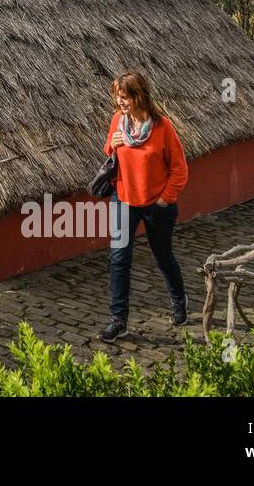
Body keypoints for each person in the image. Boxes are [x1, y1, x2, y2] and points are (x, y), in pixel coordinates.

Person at [97, 70, 188, 343]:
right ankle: (118, 320)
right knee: (119, 260)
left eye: (125, 97)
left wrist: (164, 199)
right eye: (117, 97)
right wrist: (111, 146)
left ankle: (179, 300)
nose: (120, 102)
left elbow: (179, 169)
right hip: (124, 200)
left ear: (139, 96)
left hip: (156, 205)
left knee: (163, 256)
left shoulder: (162, 128)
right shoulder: (118, 121)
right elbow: (111, 156)